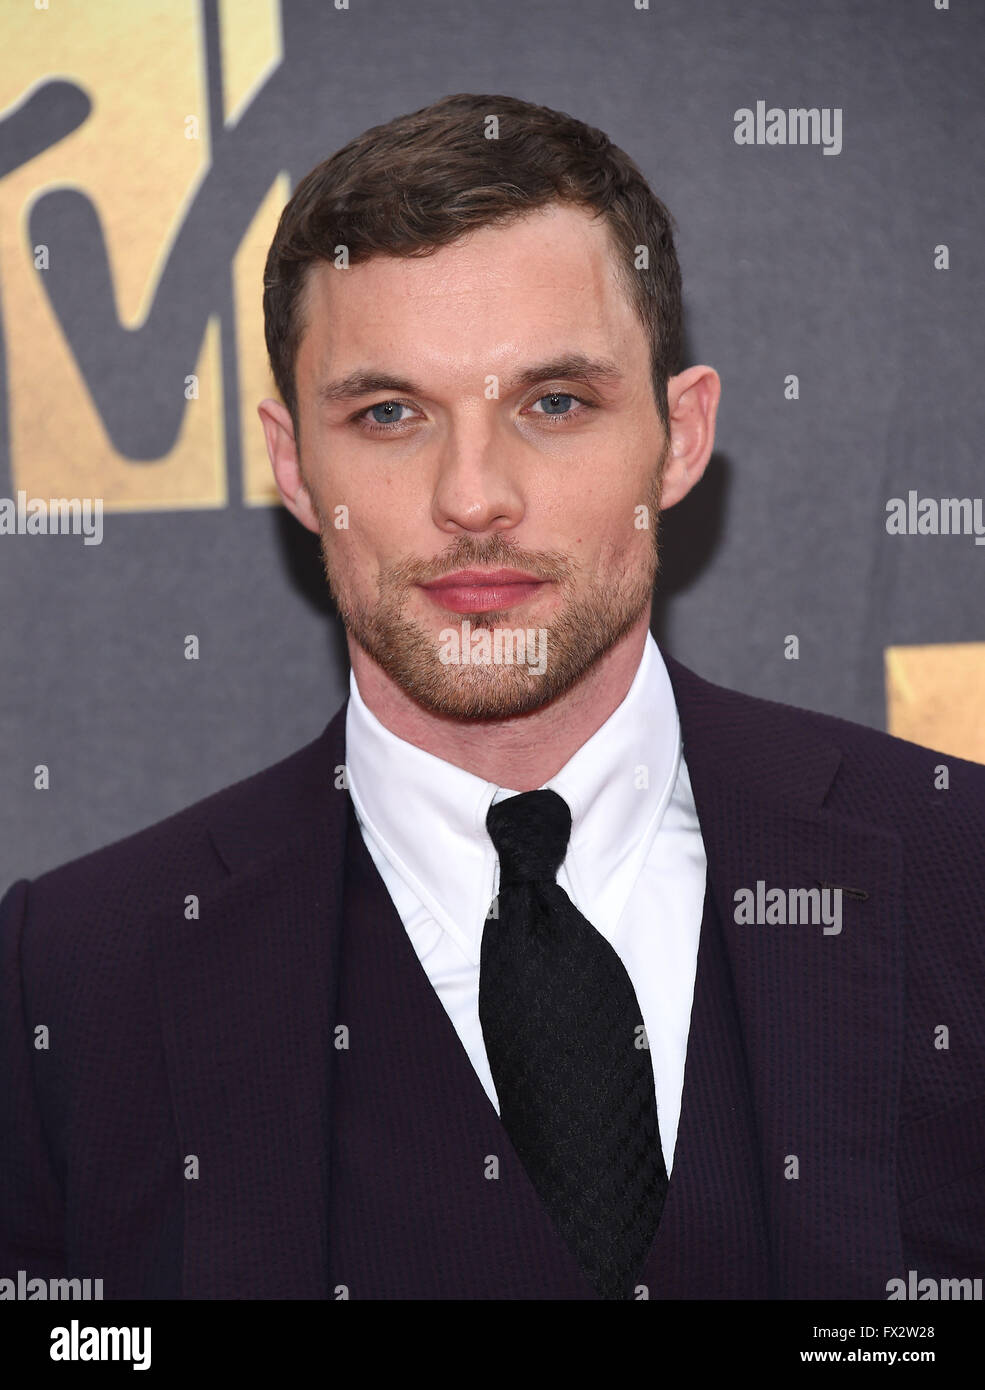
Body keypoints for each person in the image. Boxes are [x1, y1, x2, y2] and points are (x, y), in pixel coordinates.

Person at [2, 92, 983, 1301]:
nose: (474, 497)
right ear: (291, 462)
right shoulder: (78, 978)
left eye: (554, 403)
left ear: (679, 438)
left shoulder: (960, 872)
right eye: (390, 414)